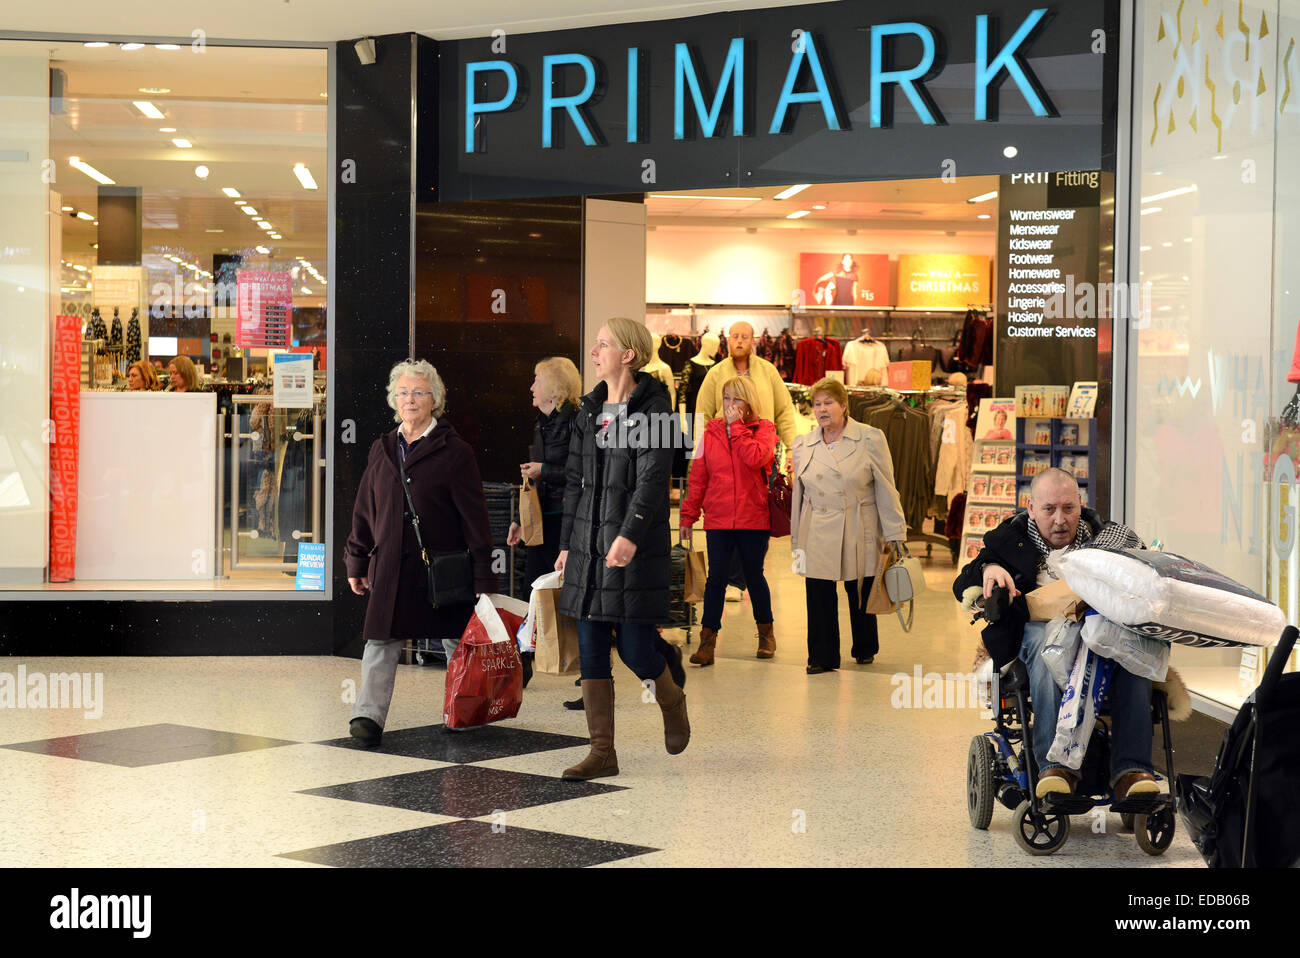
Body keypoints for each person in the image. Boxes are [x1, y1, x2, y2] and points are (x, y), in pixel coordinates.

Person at [952, 467, 1158, 801]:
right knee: (1046, 647)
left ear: (1081, 503)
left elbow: (1144, 570)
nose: (1060, 520)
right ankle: (1055, 767)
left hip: (1099, 631)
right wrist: (990, 569)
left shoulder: (1107, 537)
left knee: (1133, 654)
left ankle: (1131, 771)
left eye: (1068, 508)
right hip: (1034, 631)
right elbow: (963, 581)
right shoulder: (1008, 540)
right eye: (1049, 510)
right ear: (1031, 508)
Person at [555, 317, 688, 780]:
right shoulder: (588, 409)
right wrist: (568, 545)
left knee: (635, 650)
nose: (594, 352)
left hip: (634, 545)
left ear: (627, 354)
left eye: (603, 344)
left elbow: (654, 480)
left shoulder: (656, 410)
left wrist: (629, 534)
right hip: (588, 547)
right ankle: (602, 753)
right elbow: (575, 482)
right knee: (591, 647)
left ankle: (672, 700)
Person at [344, 359, 497, 747]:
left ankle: (463, 710)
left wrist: (482, 576)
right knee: (380, 641)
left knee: (454, 642)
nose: (409, 400)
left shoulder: (455, 451)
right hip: (390, 565)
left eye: (418, 393)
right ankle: (367, 715)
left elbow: (475, 518)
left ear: (435, 400)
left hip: (441, 568)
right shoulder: (382, 448)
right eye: (403, 393)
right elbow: (365, 509)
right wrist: (357, 560)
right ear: (394, 399)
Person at [790, 378, 906, 673]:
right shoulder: (803, 444)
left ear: (844, 405)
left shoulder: (869, 438)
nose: (822, 410)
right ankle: (821, 657)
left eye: (829, 403)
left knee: (860, 590)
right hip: (816, 527)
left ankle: (864, 646)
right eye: (817, 404)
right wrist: (796, 540)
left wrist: (894, 532)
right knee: (817, 594)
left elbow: (885, 487)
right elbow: (799, 496)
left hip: (858, 524)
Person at [694, 321, 798, 601]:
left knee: (755, 512)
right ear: (728, 340)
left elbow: (784, 410)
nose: (739, 340)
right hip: (723, 453)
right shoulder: (716, 373)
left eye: (744, 336)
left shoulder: (768, 371)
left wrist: (793, 449)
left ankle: (746, 575)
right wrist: (698, 453)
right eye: (734, 336)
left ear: (753, 340)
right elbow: (701, 413)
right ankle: (731, 579)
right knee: (728, 511)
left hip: (759, 452)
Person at [678, 375, 778, 664]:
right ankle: (707, 642)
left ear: (749, 403)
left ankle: (766, 634)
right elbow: (698, 476)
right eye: (726, 398)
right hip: (719, 517)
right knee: (716, 580)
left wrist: (737, 429)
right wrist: (688, 515)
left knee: (754, 576)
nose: (730, 404)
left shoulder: (764, 429)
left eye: (737, 399)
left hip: (753, 517)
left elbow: (756, 458)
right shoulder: (709, 432)